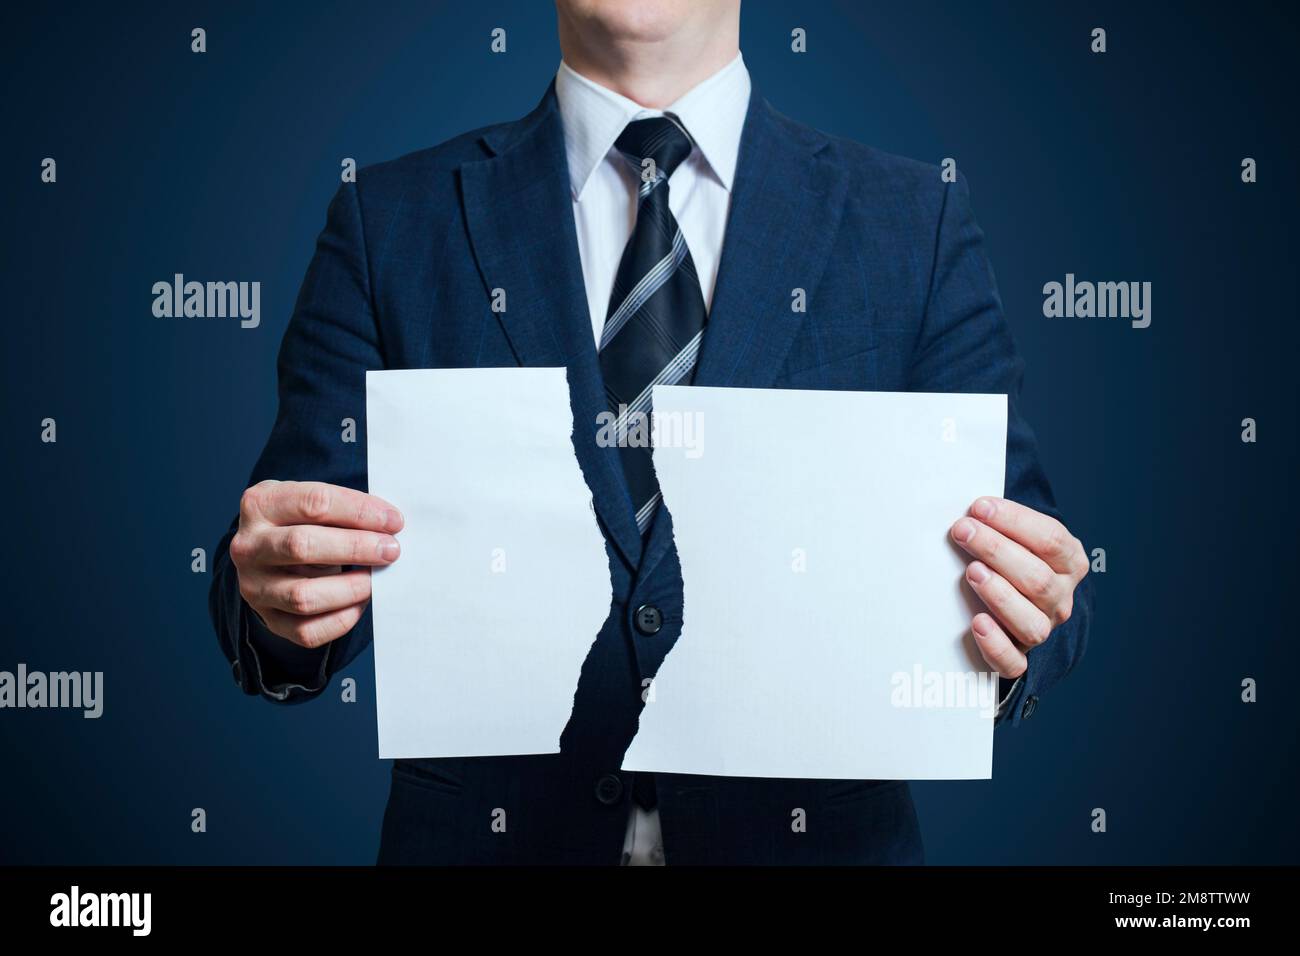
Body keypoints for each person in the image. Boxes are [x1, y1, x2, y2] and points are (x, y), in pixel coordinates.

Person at [210, 0, 1093, 865]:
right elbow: (283, 566)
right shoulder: (390, 221)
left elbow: (1039, 578)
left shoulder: (914, 222)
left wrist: (1026, 620)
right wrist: (278, 596)